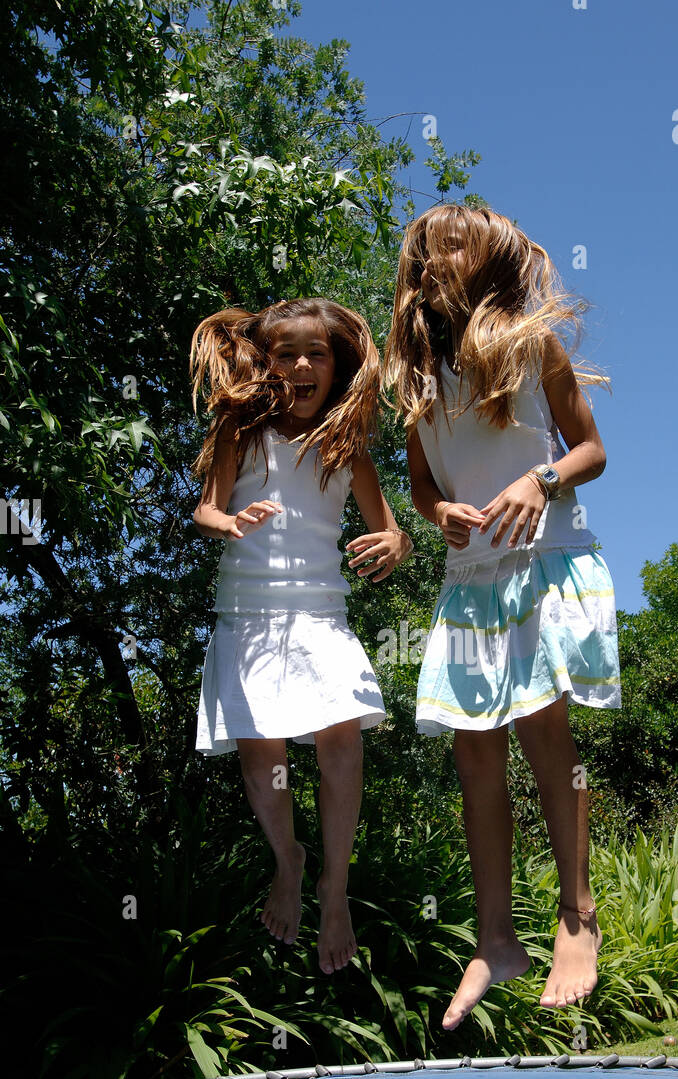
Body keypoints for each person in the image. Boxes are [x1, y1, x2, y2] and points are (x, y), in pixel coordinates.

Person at [383, 204, 621, 1030]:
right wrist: (434, 512)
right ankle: (495, 938)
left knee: (546, 741)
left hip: (540, 563)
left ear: (487, 262)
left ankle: (576, 913)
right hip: (470, 577)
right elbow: (420, 480)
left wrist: (539, 481)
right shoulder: (417, 378)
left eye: (451, 246)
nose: (432, 260)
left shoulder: (530, 344)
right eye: (423, 251)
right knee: (474, 761)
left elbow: (590, 451)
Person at [191, 297, 412, 975]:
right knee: (262, 751)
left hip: (320, 614)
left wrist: (393, 543)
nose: (300, 364)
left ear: (336, 365)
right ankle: (287, 858)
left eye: (315, 353)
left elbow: (392, 528)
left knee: (340, 734)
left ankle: (333, 886)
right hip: (249, 614)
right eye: (285, 354)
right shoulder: (241, 433)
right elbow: (205, 506)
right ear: (267, 364)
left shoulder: (347, 447)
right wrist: (228, 523)